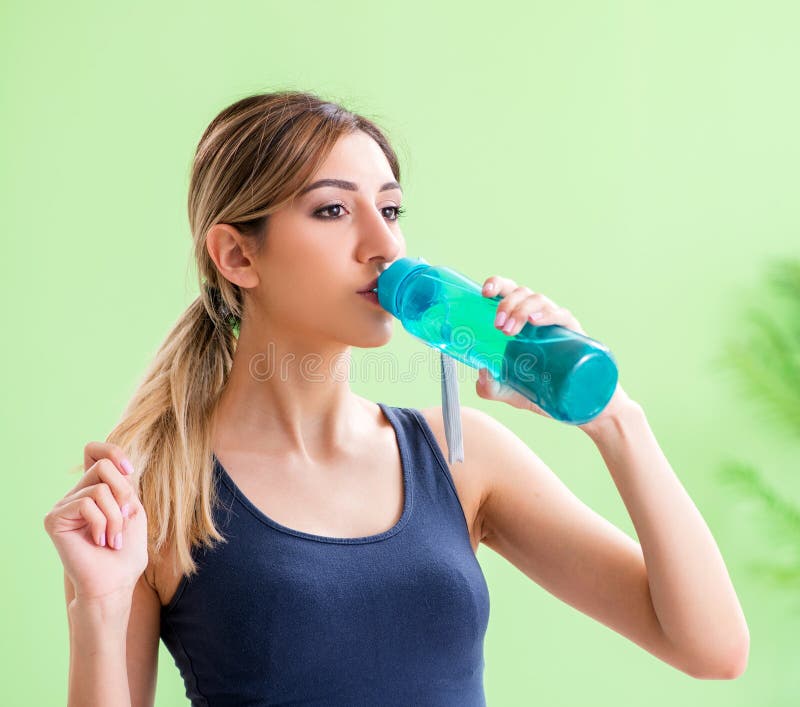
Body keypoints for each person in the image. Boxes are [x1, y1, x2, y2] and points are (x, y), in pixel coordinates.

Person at [44, 90, 749, 707]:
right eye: (332, 210)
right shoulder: (160, 491)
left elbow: (712, 650)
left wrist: (613, 418)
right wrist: (99, 607)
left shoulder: (462, 456)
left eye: (390, 208)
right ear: (237, 255)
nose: (386, 246)